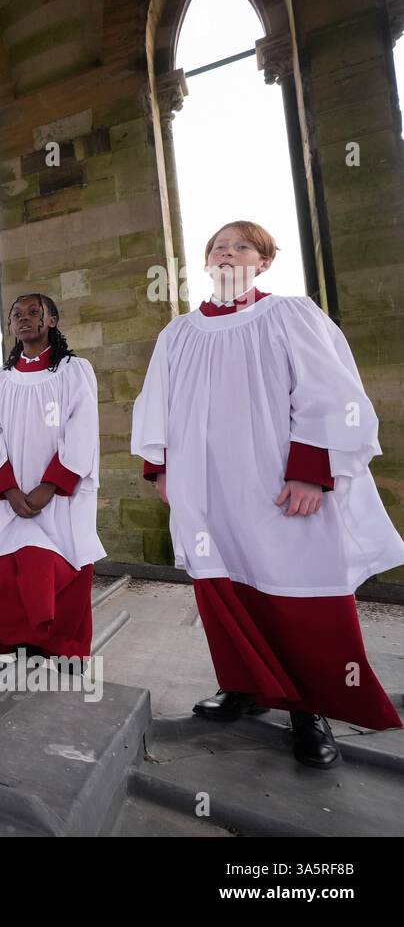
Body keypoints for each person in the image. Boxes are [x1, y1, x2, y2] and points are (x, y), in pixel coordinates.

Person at [132, 219, 404, 769]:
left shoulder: (291, 315)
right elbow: (155, 402)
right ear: (206, 263)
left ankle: (310, 709)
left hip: (281, 483)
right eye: (218, 248)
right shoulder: (178, 333)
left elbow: (331, 392)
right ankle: (243, 686)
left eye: (242, 247)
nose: (228, 254)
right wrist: (160, 469)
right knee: (221, 587)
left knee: (301, 590)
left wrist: (310, 469)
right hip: (204, 486)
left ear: (263, 262)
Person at [0, 294, 104, 662]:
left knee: (57, 567)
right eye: (16, 314)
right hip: (10, 495)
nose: (24, 318)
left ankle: (64, 649)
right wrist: (9, 490)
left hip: (58, 493)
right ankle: (18, 642)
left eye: (34, 312)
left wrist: (49, 487)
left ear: (51, 320)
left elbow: (82, 430)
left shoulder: (74, 372)